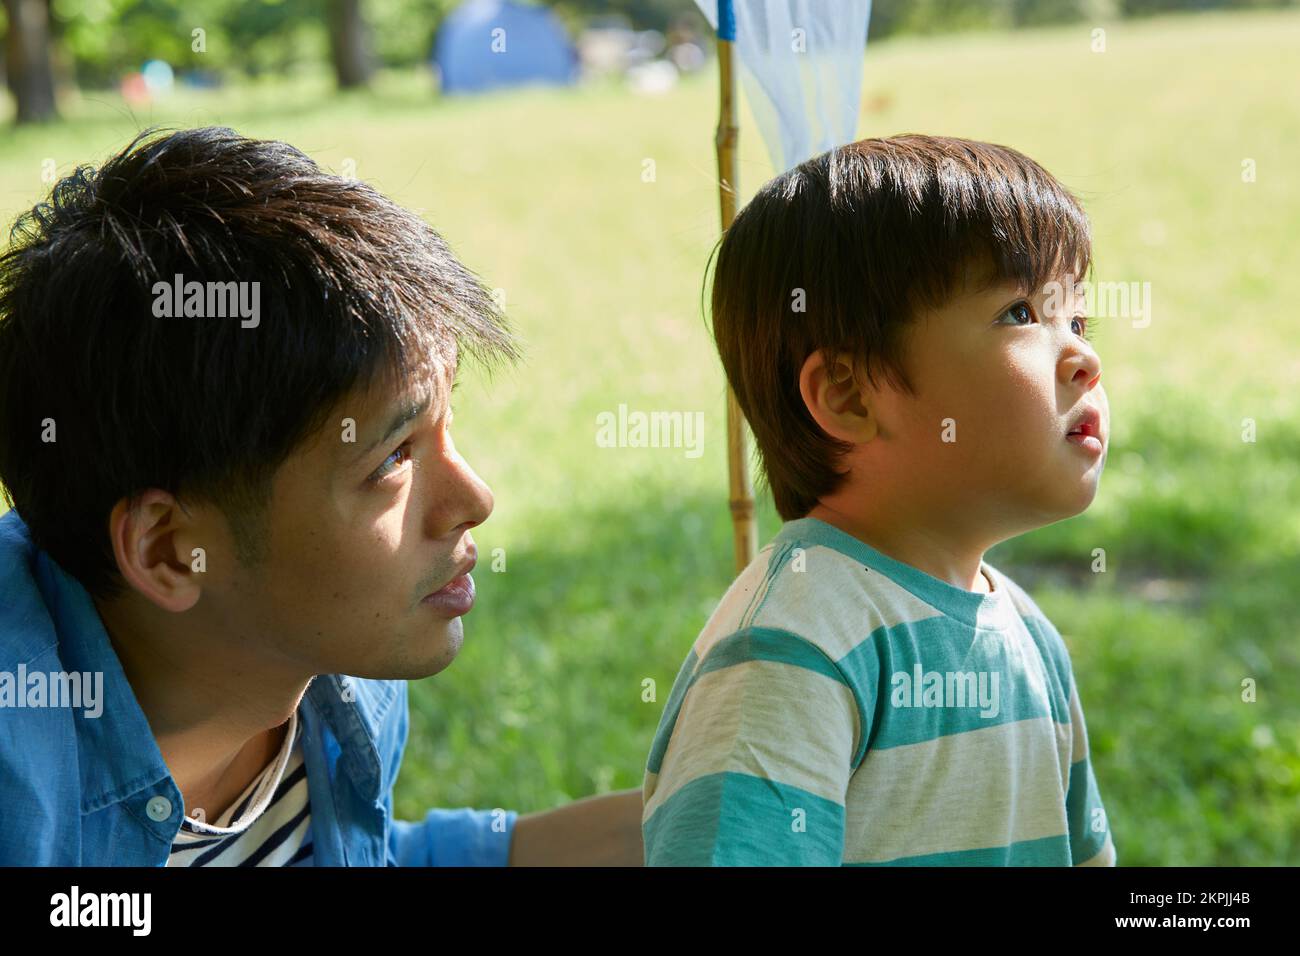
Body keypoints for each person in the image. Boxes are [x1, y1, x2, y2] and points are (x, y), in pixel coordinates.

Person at [0, 125, 642, 866]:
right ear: (172, 551)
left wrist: (697, 813)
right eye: (392, 459)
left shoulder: (330, 670)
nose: (473, 498)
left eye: (446, 424)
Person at [642, 134, 1117, 866]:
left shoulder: (1029, 635)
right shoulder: (795, 643)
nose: (1083, 357)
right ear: (849, 395)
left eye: (1076, 320)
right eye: (1020, 313)